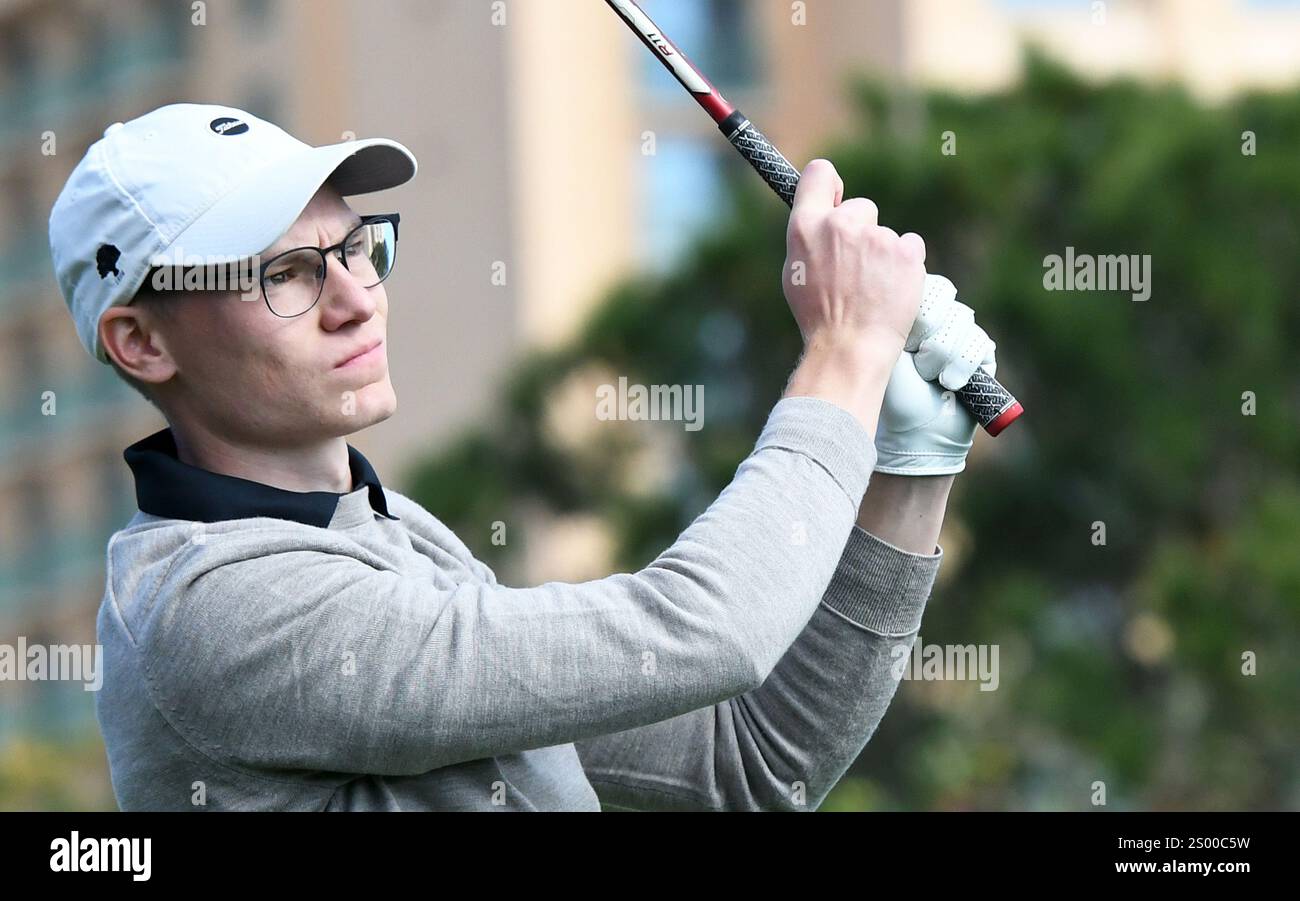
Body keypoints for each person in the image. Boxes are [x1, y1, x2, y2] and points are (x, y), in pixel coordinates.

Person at [48, 103, 996, 811]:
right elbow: (709, 630)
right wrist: (842, 356)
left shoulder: (396, 534)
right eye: (286, 272)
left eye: (354, 247)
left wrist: (908, 467)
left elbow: (748, 762)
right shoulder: (213, 610)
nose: (357, 298)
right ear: (141, 343)